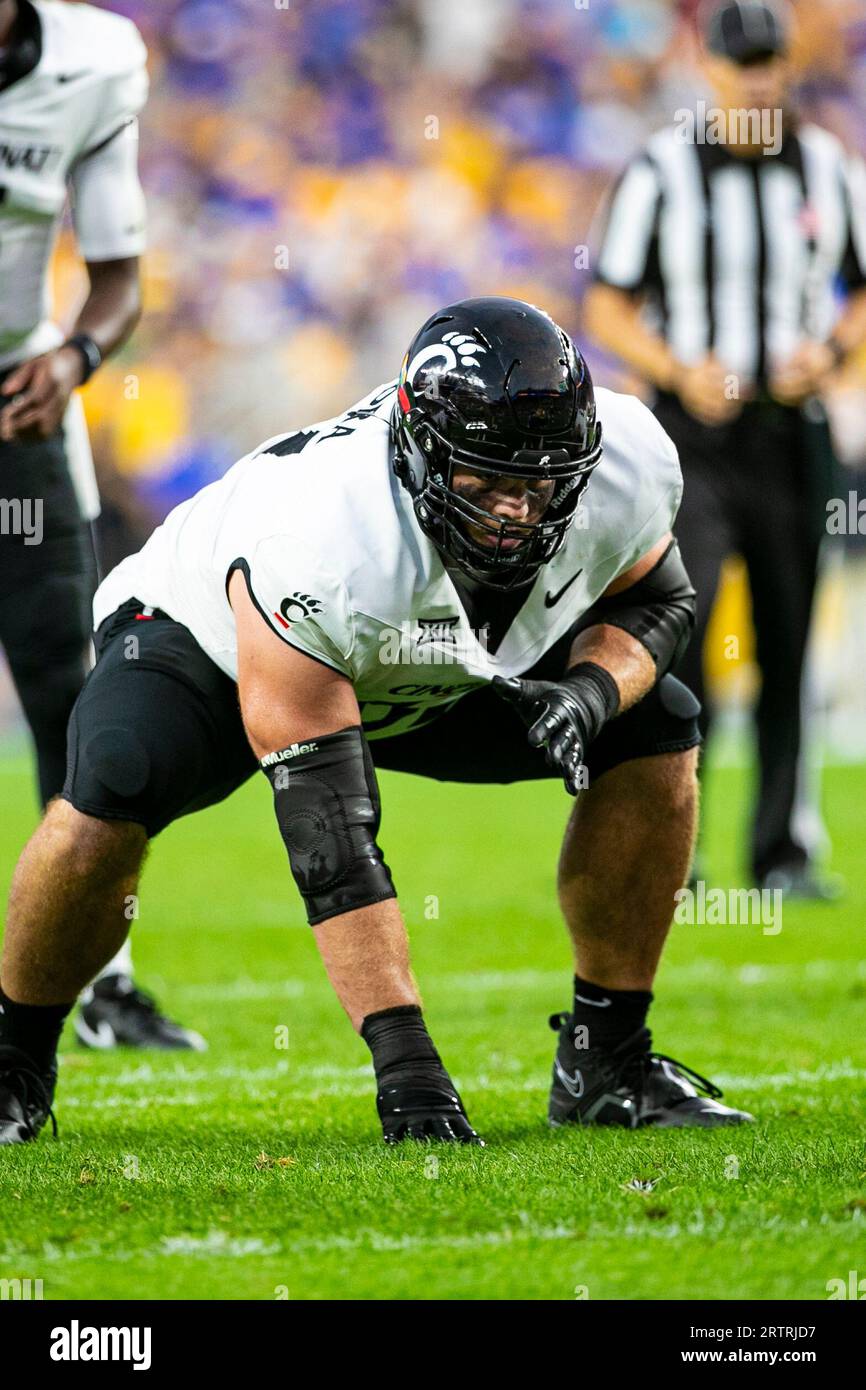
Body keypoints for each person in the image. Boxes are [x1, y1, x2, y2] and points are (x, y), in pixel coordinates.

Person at [0, 296, 752, 1146]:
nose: (517, 510)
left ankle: (607, 1060)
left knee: (657, 724)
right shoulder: (324, 536)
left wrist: (591, 694)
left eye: (542, 483)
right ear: (421, 453)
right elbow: (329, 837)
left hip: (429, 655)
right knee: (114, 782)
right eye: (490, 478)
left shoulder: (626, 458)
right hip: (211, 636)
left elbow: (660, 598)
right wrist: (407, 1064)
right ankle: (14, 1059)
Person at [584, 0, 866, 896]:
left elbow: (860, 292)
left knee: (788, 644)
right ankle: (676, 850)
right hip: (690, 441)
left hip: (790, 437)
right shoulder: (663, 171)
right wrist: (678, 365)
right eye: (740, 61)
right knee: (685, 634)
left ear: (786, 66)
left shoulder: (828, 168)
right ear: (708, 67)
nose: (756, 77)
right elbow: (607, 307)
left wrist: (826, 353)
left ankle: (782, 851)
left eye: (769, 60)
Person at [0, 0, 203, 1048]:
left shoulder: (92, 62)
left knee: (74, 701)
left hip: (15, 404)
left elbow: (119, 280)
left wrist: (73, 359)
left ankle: (100, 980)